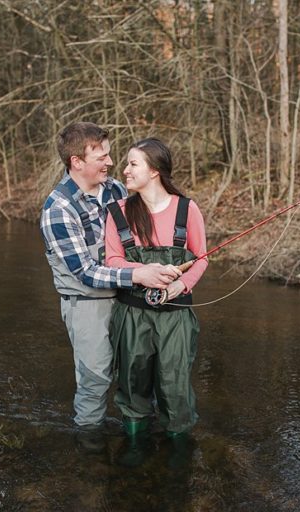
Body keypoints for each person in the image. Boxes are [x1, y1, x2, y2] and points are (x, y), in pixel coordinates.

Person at [40, 123, 181, 453]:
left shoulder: (116, 190)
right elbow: (86, 273)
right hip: (86, 304)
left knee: (140, 371)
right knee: (96, 381)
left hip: (129, 297)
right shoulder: (57, 210)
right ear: (77, 161)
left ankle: (145, 441)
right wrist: (139, 275)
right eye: (101, 155)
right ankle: (89, 451)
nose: (110, 161)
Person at [104, 138, 208, 445]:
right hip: (131, 316)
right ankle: (134, 449)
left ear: (154, 171)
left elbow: (201, 258)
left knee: (174, 387)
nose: (124, 170)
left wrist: (181, 284)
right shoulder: (117, 211)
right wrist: (141, 274)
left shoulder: (187, 209)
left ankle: (178, 456)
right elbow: (113, 260)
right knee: (132, 385)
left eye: (133, 164)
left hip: (175, 317)